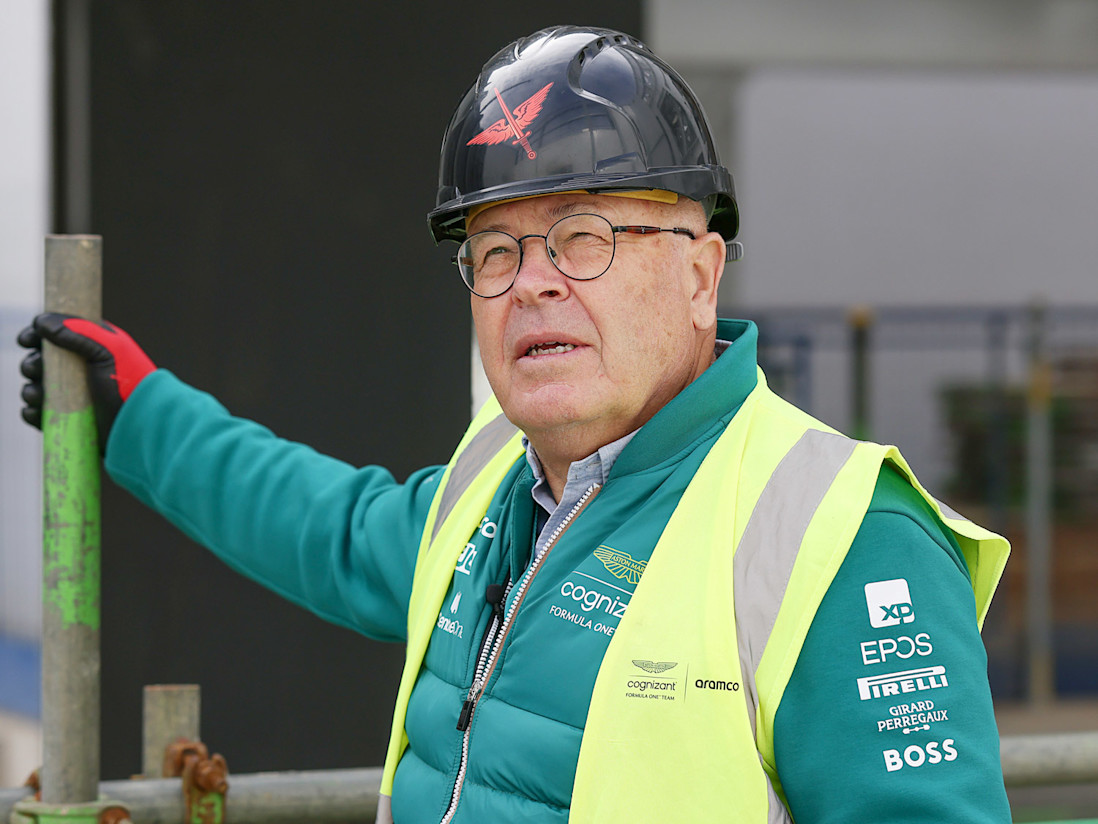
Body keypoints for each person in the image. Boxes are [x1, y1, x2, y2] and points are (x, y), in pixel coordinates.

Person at [18, 25, 1011, 824]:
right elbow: (334, 527)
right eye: (495, 251)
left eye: (583, 236)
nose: (532, 280)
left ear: (701, 276)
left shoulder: (842, 541)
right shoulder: (502, 476)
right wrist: (142, 418)